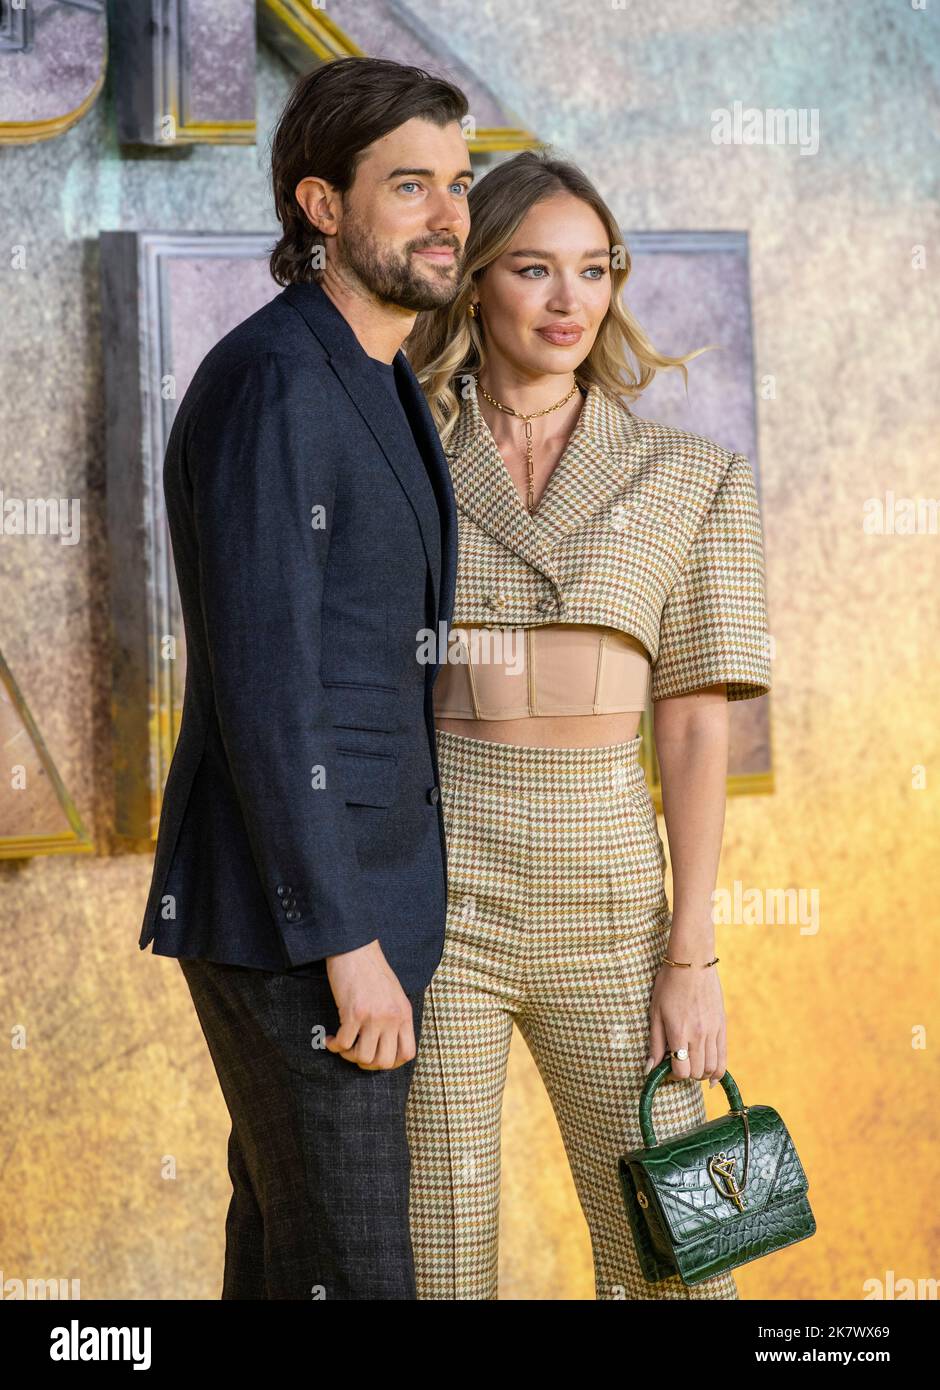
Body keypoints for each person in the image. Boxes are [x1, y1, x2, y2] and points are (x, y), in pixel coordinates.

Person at [403, 149, 773, 1299]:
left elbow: (698, 731)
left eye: (593, 270)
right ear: (472, 282)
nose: (569, 301)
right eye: (532, 269)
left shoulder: (693, 476)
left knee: (681, 1263)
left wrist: (692, 954)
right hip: (435, 904)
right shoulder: (397, 454)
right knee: (434, 1262)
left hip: (616, 913)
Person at [137, 56, 474, 1300]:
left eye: (459, 183)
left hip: (356, 912)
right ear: (322, 206)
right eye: (409, 187)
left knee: (294, 1266)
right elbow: (269, 691)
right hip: (304, 930)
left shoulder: (378, 375)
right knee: (354, 1274)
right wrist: (343, 941)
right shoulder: (277, 380)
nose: (449, 215)